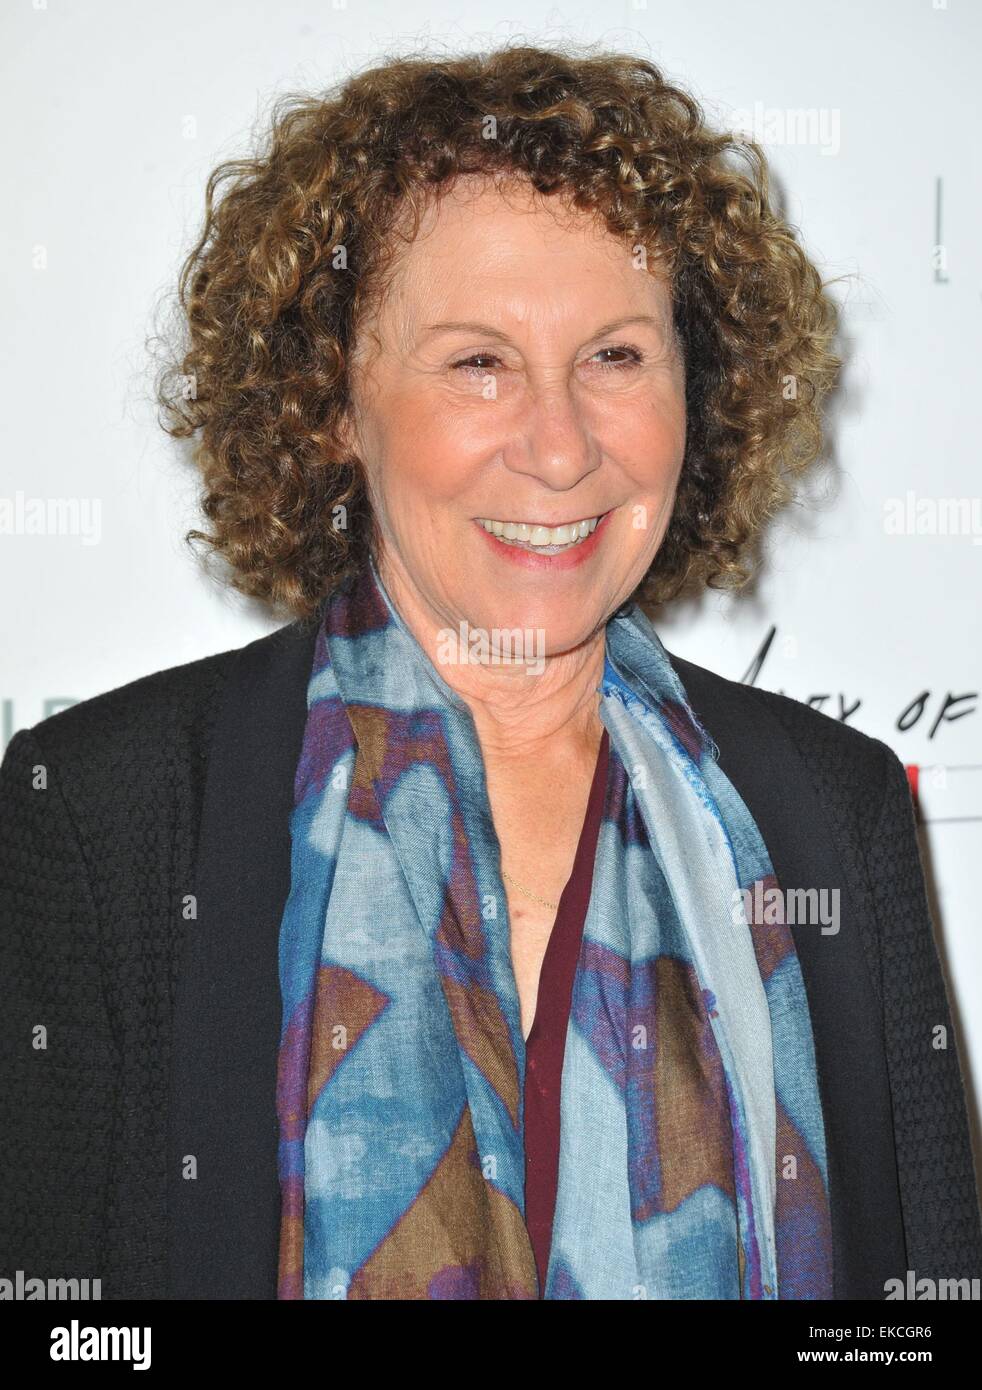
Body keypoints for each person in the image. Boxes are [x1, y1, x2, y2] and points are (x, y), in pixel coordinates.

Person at [2, 43, 980, 1301]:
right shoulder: (107, 814)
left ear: (699, 383)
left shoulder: (831, 811)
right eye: (478, 362)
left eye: (616, 357)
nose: (560, 446)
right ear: (332, 403)